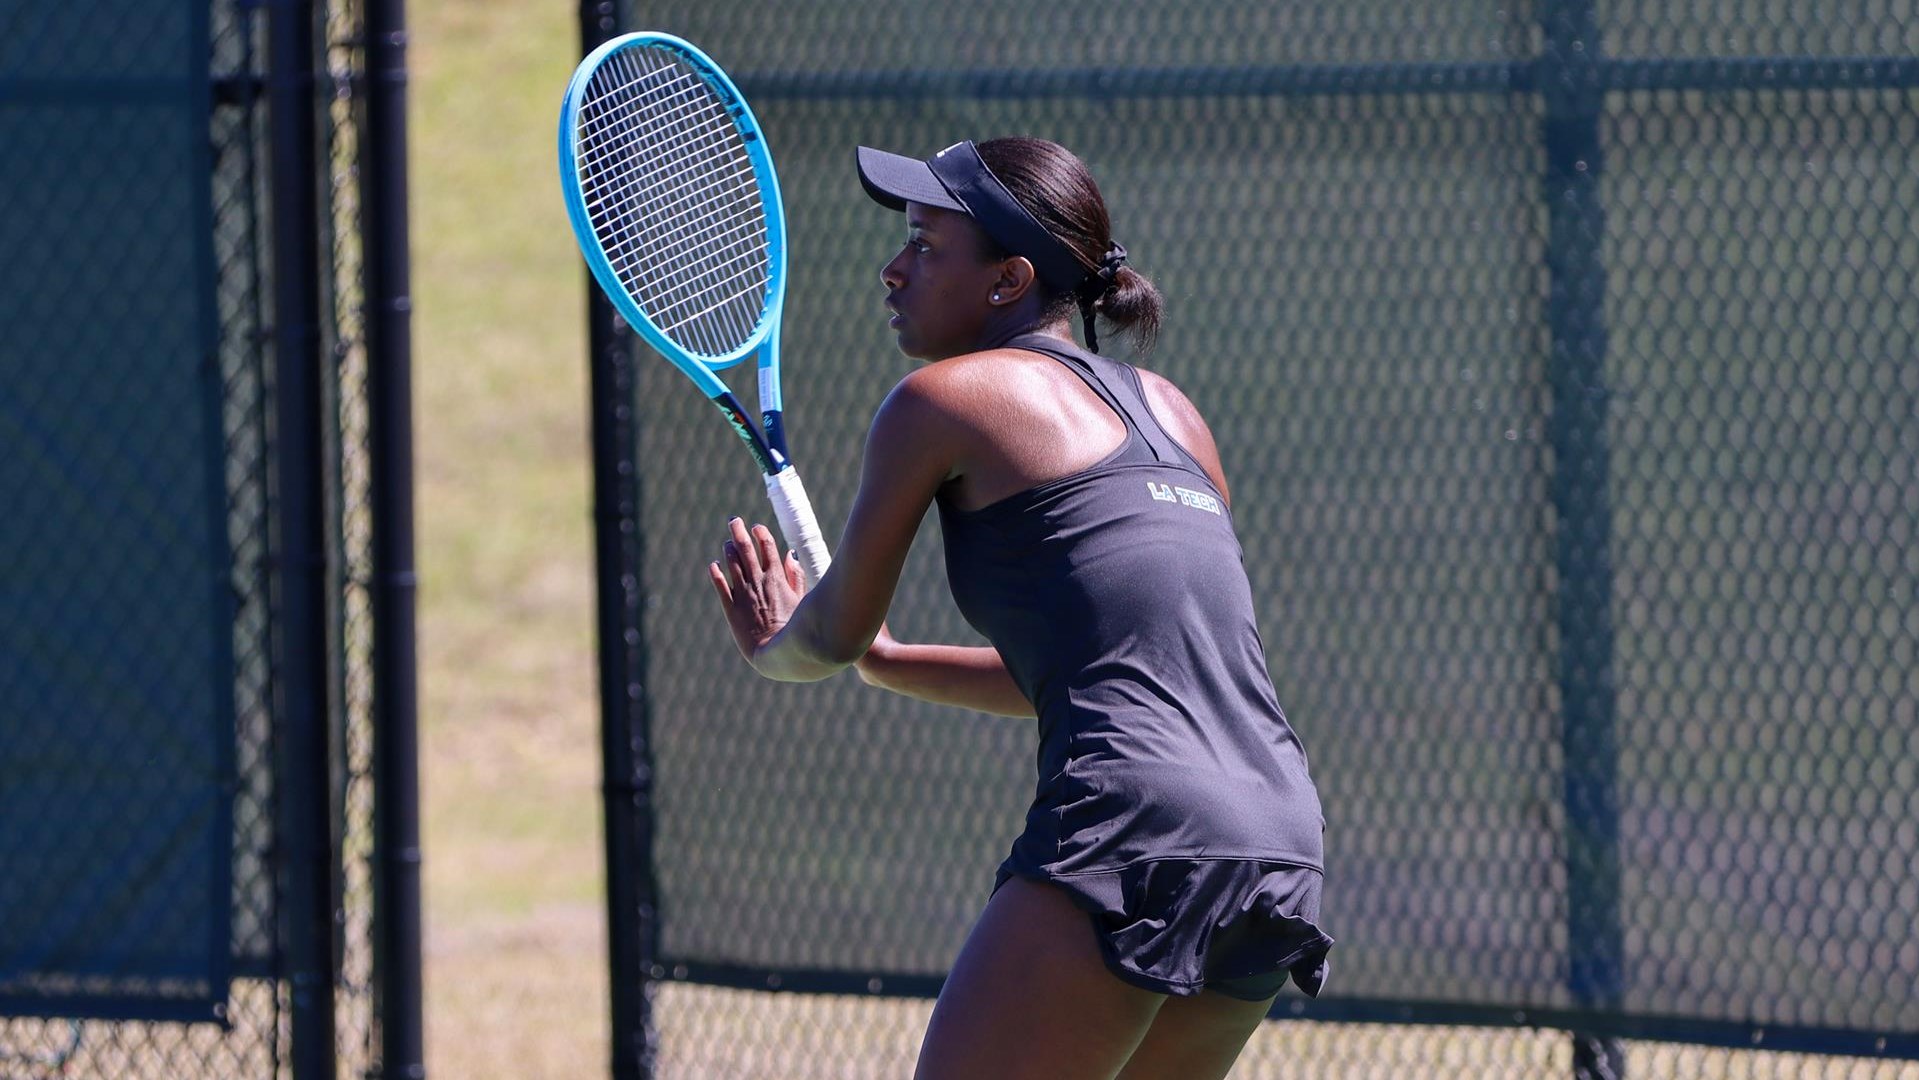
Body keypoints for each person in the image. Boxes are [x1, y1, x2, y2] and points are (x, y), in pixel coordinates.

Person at [708, 136, 1331, 1080]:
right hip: (1276, 839)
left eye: (925, 242)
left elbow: (824, 635)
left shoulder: (939, 400)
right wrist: (891, 657)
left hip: (1136, 821)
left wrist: (776, 648)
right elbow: (1113, 665)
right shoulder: (1173, 411)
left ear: (1007, 281)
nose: (893, 268)